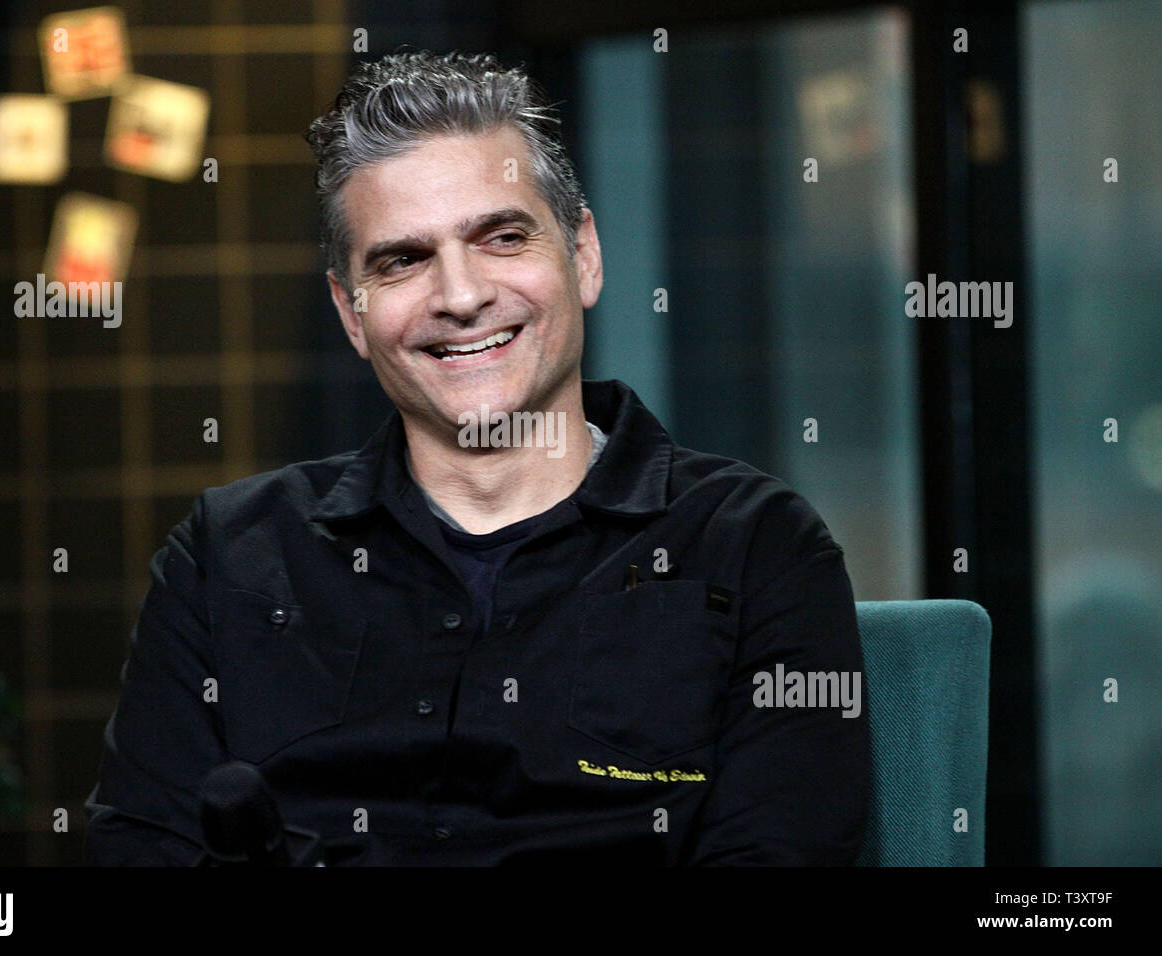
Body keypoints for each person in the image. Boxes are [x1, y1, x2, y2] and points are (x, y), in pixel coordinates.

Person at [84, 49, 868, 865]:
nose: (460, 297)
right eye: (403, 260)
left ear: (585, 255)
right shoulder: (226, 556)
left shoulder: (754, 546)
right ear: (352, 315)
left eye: (501, 236)